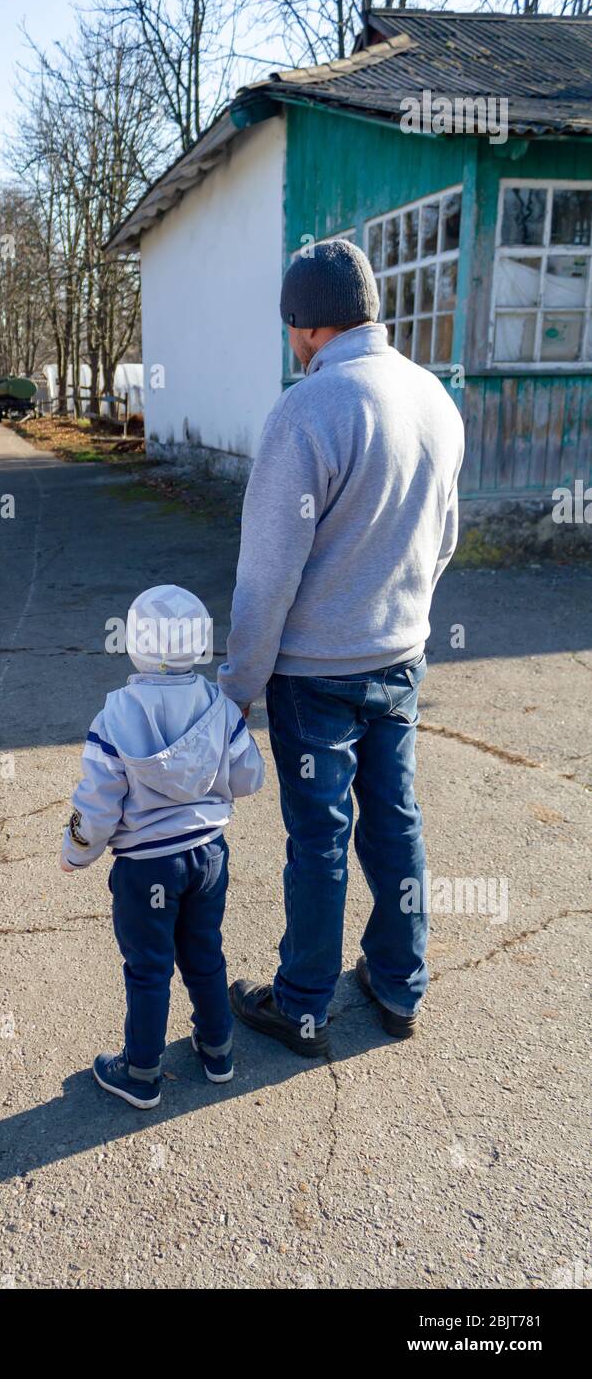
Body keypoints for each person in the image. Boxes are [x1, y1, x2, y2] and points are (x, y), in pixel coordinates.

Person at [218, 239, 464, 1055]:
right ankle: (400, 986)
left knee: (319, 837)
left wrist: (237, 688)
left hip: (316, 675)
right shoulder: (434, 399)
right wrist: (400, 614)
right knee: (394, 821)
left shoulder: (307, 412)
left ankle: (303, 1004)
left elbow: (266, 578)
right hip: (400, 659)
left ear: (306, 327)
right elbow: (443, 540)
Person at [60, 584, 264, 1108]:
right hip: (209, 855)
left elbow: (98, 803)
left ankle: (142, 1071)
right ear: (201, 645)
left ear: (135, 643)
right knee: (205, 954)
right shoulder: (220, 707)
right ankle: (218, 1051)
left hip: (145, 866)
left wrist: (76, 850)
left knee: (148, 967)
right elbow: (248, 779)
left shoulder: (114, 717)